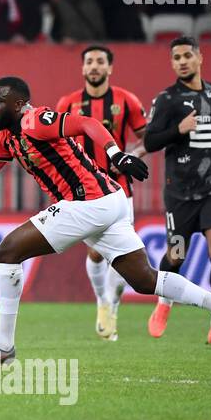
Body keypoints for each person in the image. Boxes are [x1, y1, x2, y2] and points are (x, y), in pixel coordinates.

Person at [0, 76, 211, 362]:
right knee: (144, 279)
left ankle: (3, 345)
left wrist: (116, 155)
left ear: (18, 104)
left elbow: (88, 123)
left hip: (87, 203)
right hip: (108, 202)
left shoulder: (35, 120)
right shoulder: (6, 138)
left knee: (7, 251)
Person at [143, 37, 211, 345]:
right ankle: (164, 302)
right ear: (172, 63)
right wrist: (178, 130)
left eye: (187, 55)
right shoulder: (167, 99)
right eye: (177, 58)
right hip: (180, 193)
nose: (182, 61)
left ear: (200, 57)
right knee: (176, 256)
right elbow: (150, 141)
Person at [55, 46, 148, 340]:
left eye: (100, 62)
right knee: (96, 253)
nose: (94, 66)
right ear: (83, 69)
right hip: (86, 190)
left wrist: (132, 155)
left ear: (110, 68)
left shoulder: (126, 100)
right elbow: (56, 141)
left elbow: (147, 137)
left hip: (120, 187)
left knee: (123, 256)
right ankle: (102, 301)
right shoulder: (68, 103)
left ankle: (112, 308)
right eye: (89, 62)